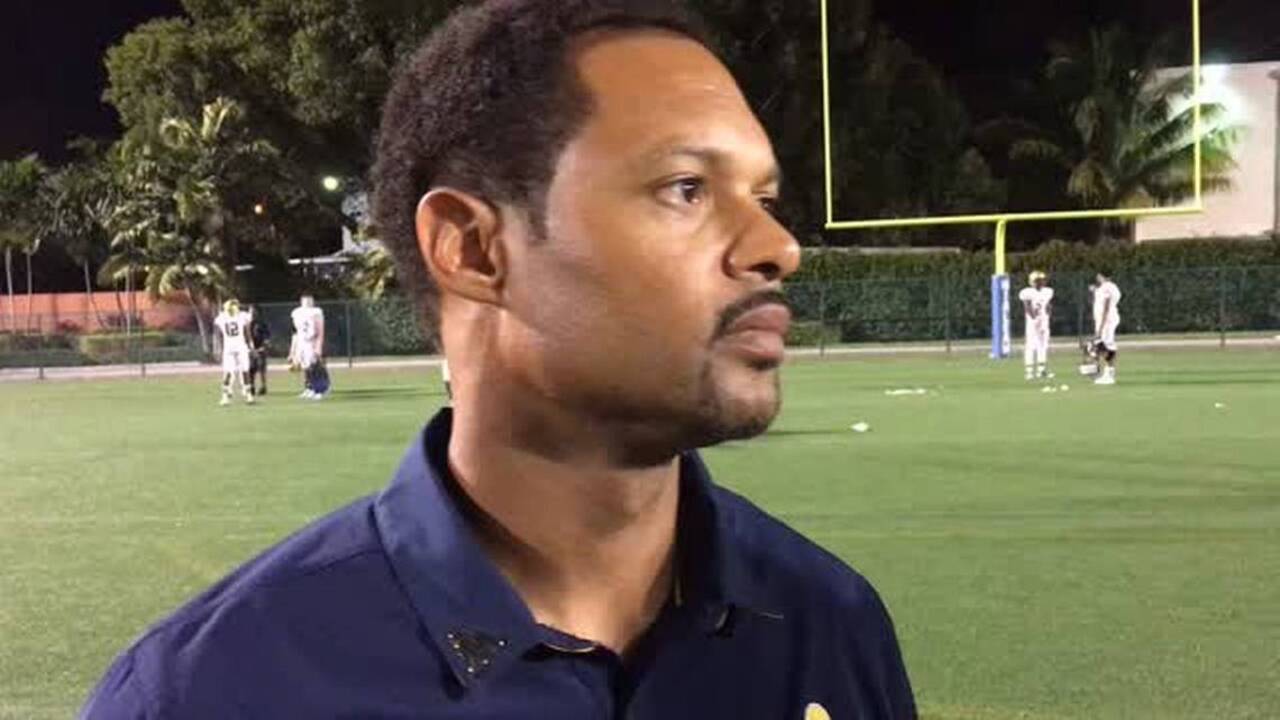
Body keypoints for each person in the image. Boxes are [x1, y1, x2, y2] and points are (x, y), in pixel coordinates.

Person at [81, 2, 915, 718]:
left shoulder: (827, 625)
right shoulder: (216, 692)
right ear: (473, 248)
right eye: (686, 189)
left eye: (764, 200)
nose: (777, 246)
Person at [212, 299, 254, 407]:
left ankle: (230, 395)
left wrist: (219, 347)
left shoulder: (222, 317)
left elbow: (219, 332)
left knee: (235, 371)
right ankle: (244, 394)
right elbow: (247, 330)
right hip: (238, 347)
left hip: (232, 347)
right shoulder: (241, 316)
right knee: (240, 371)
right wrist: (250, 343)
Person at [1018, 270, 1054, 380]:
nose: (1039, 282)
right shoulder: (1027, 292)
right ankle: (1029, 371)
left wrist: (1048, 314)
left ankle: (1041, 370)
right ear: (1032, 282)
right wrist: (1035, 319)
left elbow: (1048, 306)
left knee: (1043, 346)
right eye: (1037, 280)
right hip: (1033, 323)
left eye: (1041, 280)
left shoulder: (1048, 291)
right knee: (1030, 346)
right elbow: (1027, 307)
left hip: (1043, 322)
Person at [289, 294, 326, 399]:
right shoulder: (297, 313)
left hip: (311, 341)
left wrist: (318, 346)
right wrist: (293, 350)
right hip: (302, 342)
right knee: (305, 367)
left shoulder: (316, 313)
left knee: (314, 366)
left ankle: (319, 390)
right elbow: (295, 333)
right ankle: (309, 388)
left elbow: (320, 331)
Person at [1092, 271, 1123, 385]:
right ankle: (1108, 372)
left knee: (1105, 345)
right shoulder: (1113, 287)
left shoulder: (1106, 288)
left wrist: (1100, 327)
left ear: (1100, 275)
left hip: (1106, 320)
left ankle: (1109, 374)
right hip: (1109, 318)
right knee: (1102, 345)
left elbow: (1106, 306)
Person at [246, 305, 271, 396]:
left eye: (253, 311)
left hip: (260, 349)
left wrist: (263, 347)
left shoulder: (262, 323)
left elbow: (267, 337)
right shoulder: (247, 324)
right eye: (250, 311)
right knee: (250, 369)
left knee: (261, 368)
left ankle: (263, 386)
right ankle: (251, 386)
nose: (252, 314)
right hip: (250, 350)